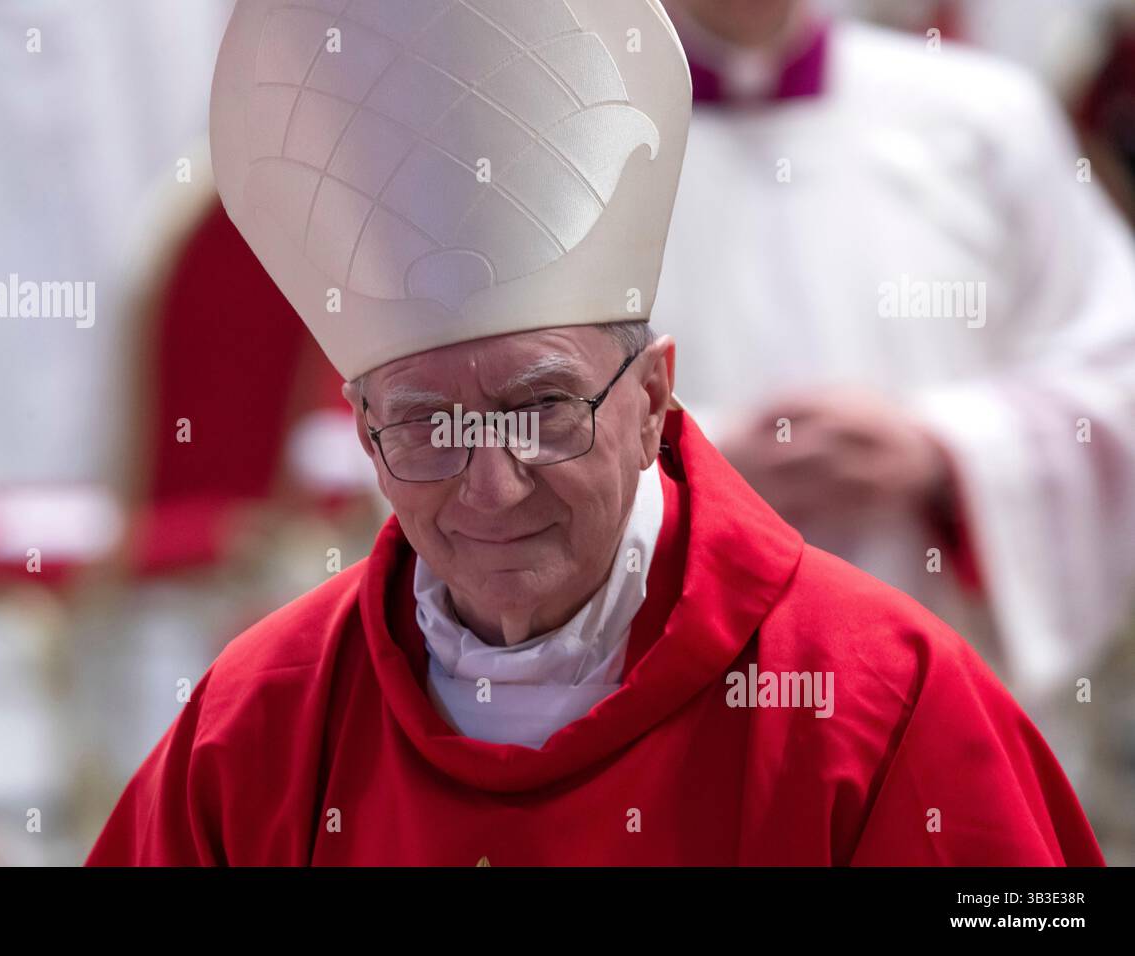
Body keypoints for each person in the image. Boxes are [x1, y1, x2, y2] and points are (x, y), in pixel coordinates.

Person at [86, 0, 1104, 866]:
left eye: (542, 411)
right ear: (362, 429)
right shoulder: (255, 727)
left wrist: (948, 448)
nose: (489, 486)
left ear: (657, 397)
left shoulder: (887, 706)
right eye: (426, 424)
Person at [653, 0, 1135, 700]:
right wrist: (691, 463)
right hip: (674, 702)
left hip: (939, 690)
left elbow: (1115, 365)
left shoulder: (986, 113)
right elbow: (482, 402)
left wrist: (948, 449)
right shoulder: (562, 135)